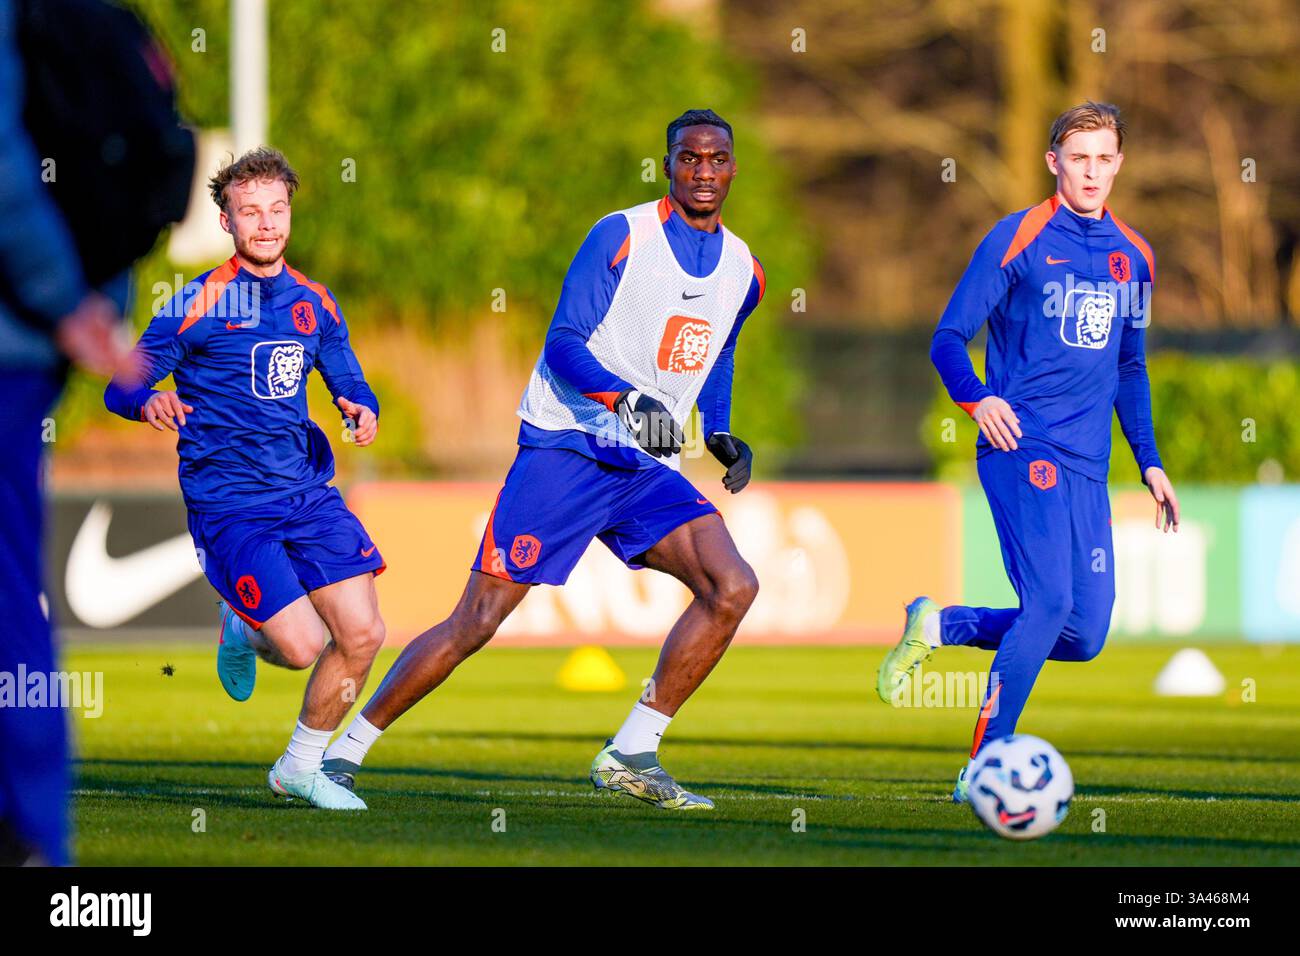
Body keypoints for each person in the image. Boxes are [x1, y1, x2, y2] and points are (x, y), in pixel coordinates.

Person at [321, 109, 765, 811]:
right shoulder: (622, 237)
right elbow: (564, 343)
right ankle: (342, 755)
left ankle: (632, 752)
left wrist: (718, 429)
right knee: (478, 620)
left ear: (734, 168)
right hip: (569, 446)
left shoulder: (746, 269)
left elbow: (719, 345)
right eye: (689, 158)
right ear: (667, 166)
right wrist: (623, 398)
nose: (703, 171)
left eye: (716, 159)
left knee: (732, 586)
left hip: (648, 468)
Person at [875, 102, 1180, 801]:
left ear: (1120, 163)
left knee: (1082, 633)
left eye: (1105, 158)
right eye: (1080, 158)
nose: (1093, 172)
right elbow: (948, 337)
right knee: (1045, 603)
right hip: (1020, 448)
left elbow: (1131, 367)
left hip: (1087, 467)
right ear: (1054, 162)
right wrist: (979, 399)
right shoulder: (1018, 238)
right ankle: (984, 765)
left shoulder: (1134, 256)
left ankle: (941, 623)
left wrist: (1151, 460)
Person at [104, 148, 386, 810]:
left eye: (277, 209)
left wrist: (359, 403)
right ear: (226, 221)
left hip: (308, 492)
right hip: (231, 504)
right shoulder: (196, 302)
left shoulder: (315, 300)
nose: (266, 224)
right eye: (250, 212)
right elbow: (124, 379)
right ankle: (243, 627)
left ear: (290, 211)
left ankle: (299, 766)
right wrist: (148, 402)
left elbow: (343, 368)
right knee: (301, 647)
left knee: (365, 634)